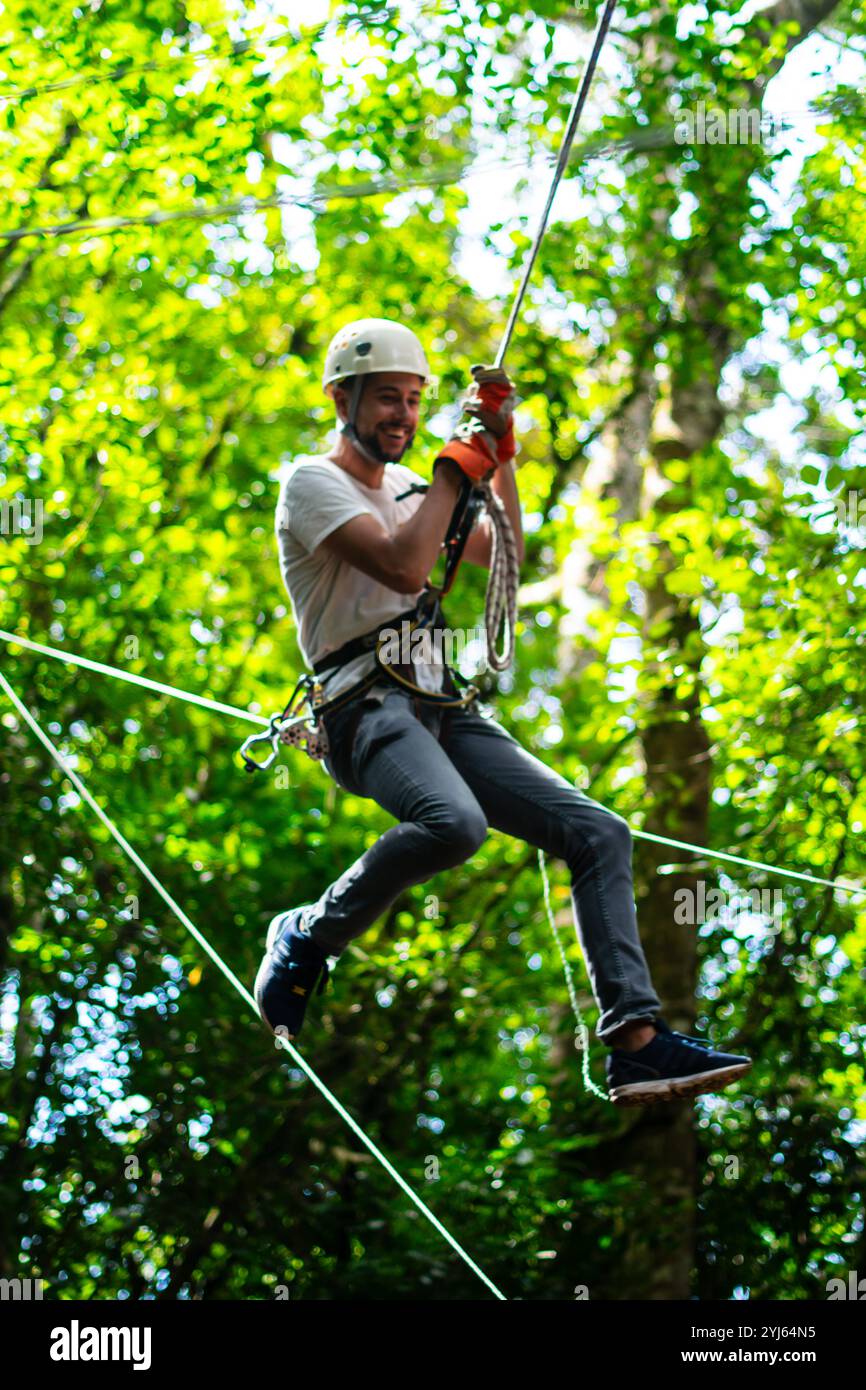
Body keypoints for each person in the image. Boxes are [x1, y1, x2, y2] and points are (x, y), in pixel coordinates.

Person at [254, 316, 752, 1106]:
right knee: (455, 825)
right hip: (365, 710)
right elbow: (405, 562)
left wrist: (500, 454)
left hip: (439, 707)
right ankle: (309, 935)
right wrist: (455, 469)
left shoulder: (420, 490)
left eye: (415, 402)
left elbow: (506, 555)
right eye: (388, 399)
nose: (404, 418)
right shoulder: (311, 485)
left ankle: (636, 1043)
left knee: (599, 832)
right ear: (340, 398)